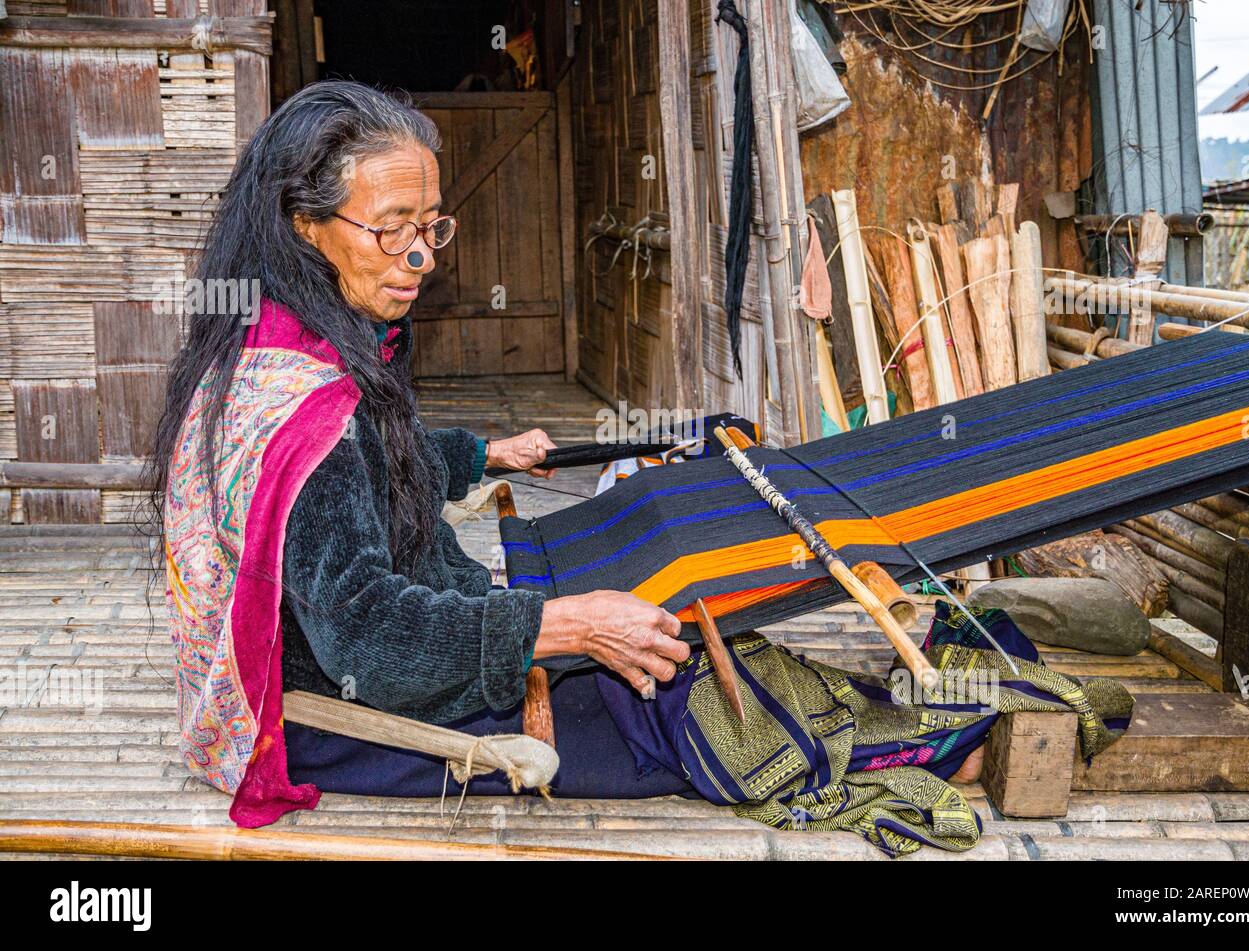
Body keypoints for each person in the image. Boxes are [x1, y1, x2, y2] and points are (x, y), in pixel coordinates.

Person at [153, 80, 1129, 856]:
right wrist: (567, 624)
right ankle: (944, 740)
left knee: (689, 651)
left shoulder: (298, 342)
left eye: (434, 225)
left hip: (358, 658)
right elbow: (370, 633)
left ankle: (919, 708)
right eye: (392, 226)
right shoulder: (296, 409)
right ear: (300, 224)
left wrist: (473, 455)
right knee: (693, 709)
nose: (421, 255)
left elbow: (374, 470)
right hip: (336, 714)